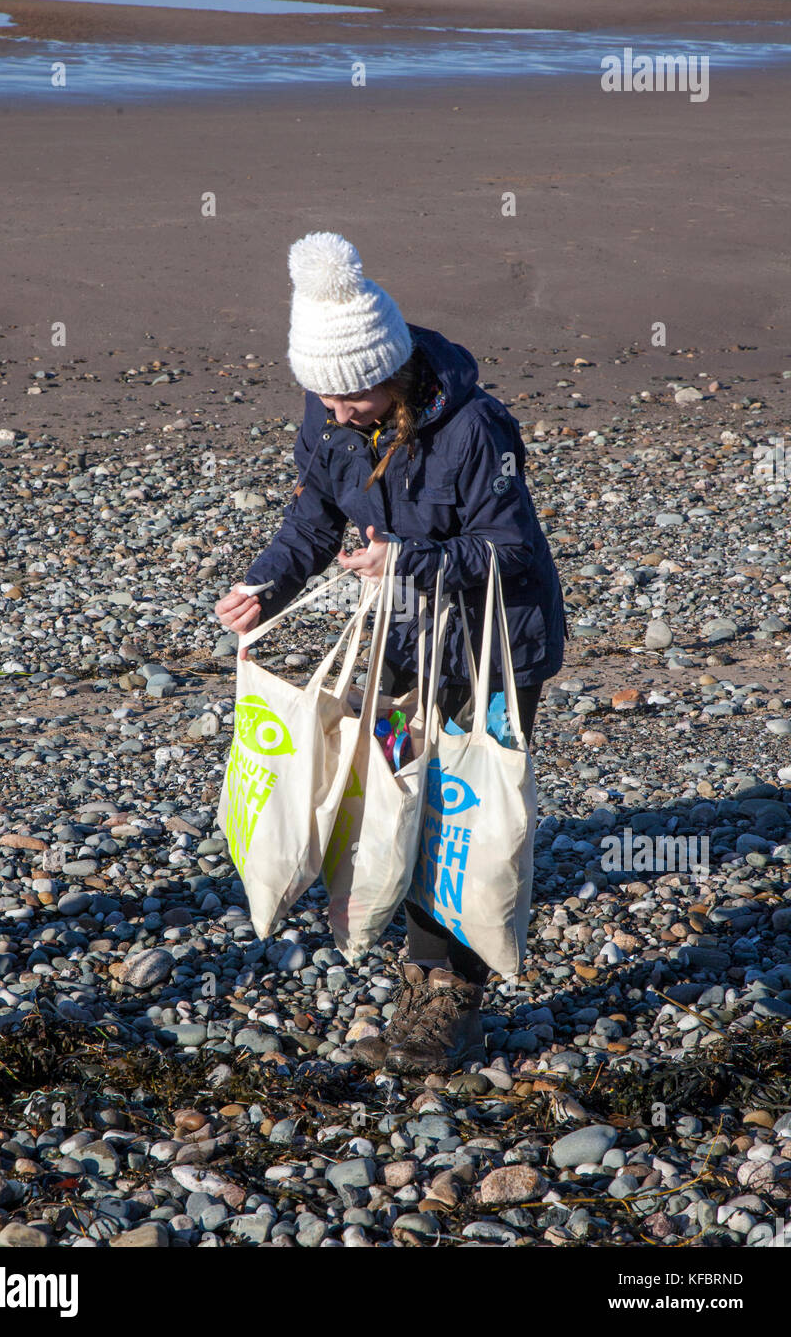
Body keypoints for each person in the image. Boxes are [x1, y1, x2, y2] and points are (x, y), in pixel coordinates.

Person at [216, 231, 568, 1073]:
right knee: (404, 804)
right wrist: (266, 586)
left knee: (463, 814)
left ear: (393, 369)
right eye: (322, 399)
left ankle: (451, 1000)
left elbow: (510, 550)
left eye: (351, 400)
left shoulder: (477, 428)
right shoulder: (331, 406)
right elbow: (314, 519)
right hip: (406, 637)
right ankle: (424, 980)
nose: (334, 415)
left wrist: (407, 560)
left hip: (495, 648)